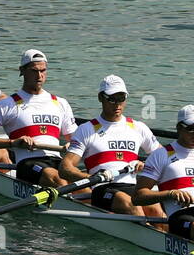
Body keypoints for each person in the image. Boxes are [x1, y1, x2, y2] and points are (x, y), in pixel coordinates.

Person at [0, 49, 77, 187]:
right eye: (34, 71)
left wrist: (73, 145)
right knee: (58, 180)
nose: (39, 75)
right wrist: (13, 143)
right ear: (22, 71)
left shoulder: (60, 103)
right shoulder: (8, 104)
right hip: (27, 164)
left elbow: (76, 140)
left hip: (57, 160)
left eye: (43, 70)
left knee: (84, 189)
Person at [60, 75, 162, 215]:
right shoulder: (86, 129)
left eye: (121, 98)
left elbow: (163, 160)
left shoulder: (138, 127)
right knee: (131, 205)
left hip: (132, 186)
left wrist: (145, 164)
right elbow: (65, 168)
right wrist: (89, 178)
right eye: (112, 99)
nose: (117, 104)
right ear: (100, 98)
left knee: (157, 210)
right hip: (102, 188)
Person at [133, 105, 194, 245]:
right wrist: (170, 194)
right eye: (190, 128)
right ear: (179, 128)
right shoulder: (161, 155)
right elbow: (137, 197)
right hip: (181, 215)